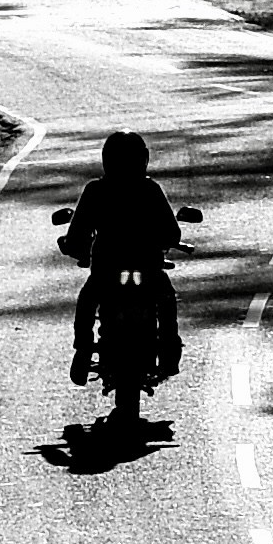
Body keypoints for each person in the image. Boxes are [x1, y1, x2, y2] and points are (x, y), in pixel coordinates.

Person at [62, 128, 184, 386]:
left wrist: (75, 246)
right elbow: (171, 232)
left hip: (109, 267)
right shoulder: (149, 189)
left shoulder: (96, 190)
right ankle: (169, 349)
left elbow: (77, 232)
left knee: (88, 298)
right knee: (165, 296)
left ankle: (83, 348)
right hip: (145, 266)